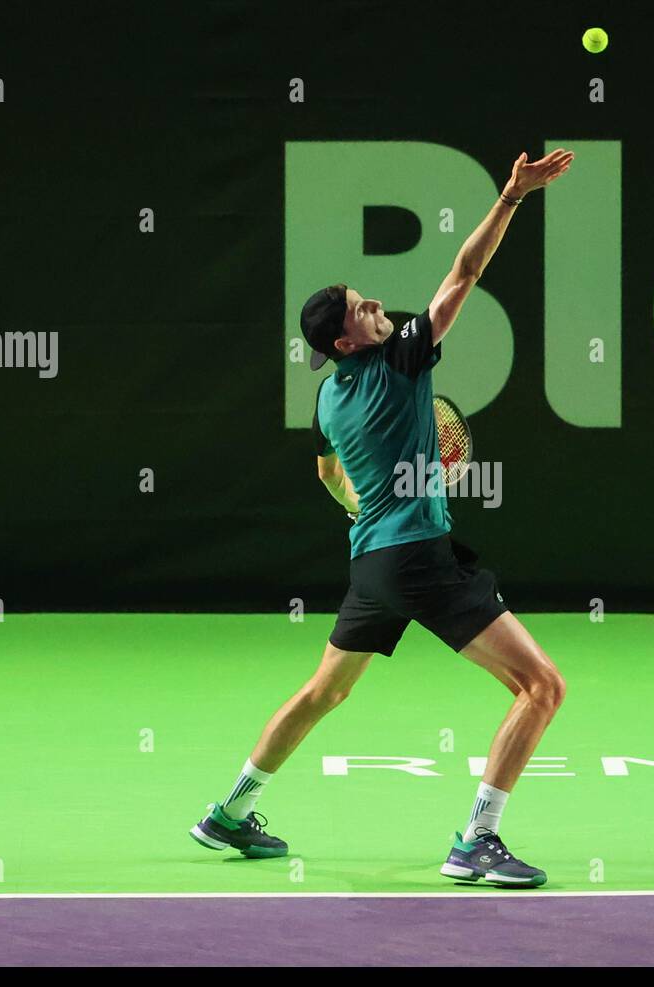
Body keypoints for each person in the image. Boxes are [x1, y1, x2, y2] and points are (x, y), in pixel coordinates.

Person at [191, 149, 575, 886]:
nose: (379, 307)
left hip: (372, 562)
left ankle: (229, 813)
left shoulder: (328, 398)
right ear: (348, 340)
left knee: (324, 691)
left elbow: (327, 470)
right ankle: (476, 842)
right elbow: (464, 274)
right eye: (364, 308)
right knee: (542, 688)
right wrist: (512, 198)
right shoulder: (400, 358)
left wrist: (360, 505)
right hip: (421, 558)